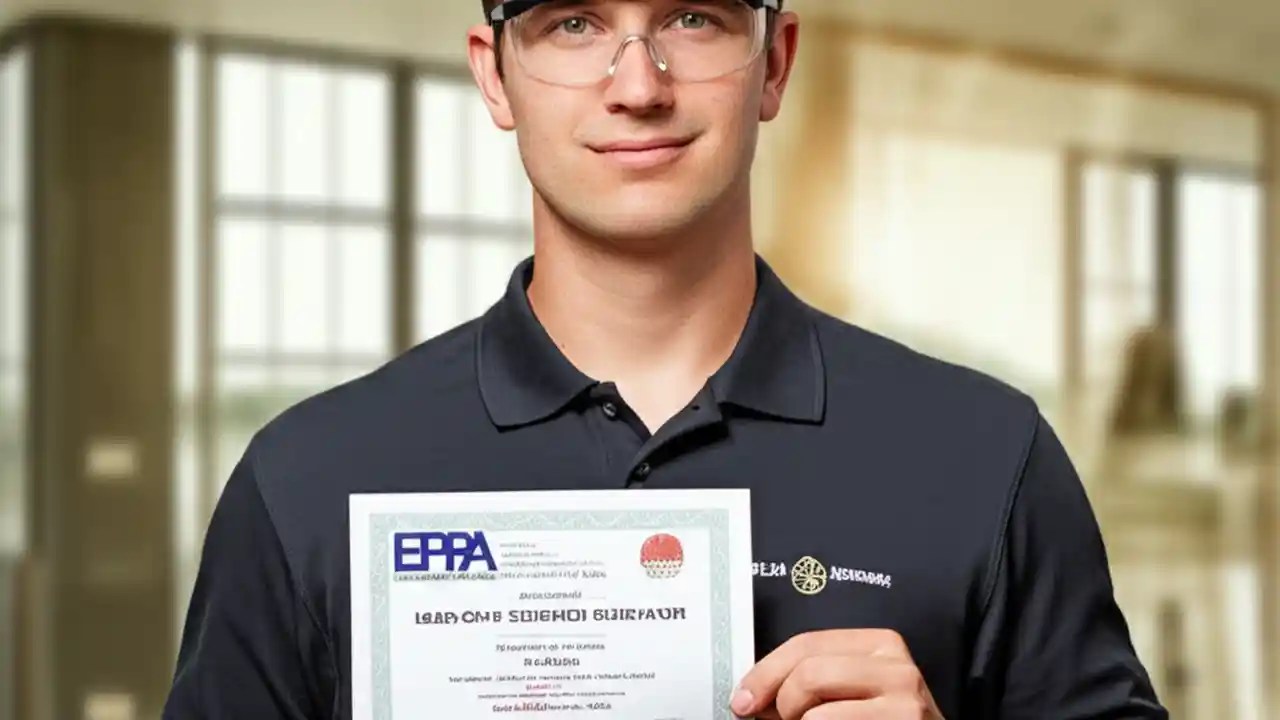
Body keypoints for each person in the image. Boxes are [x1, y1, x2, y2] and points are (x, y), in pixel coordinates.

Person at [164, 1, 1169, 718]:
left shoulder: (984, 455)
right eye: (572, 23)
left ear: (773, 62)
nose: (637, 85)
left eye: (691, 19)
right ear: (491, 73)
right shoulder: (305, 479)